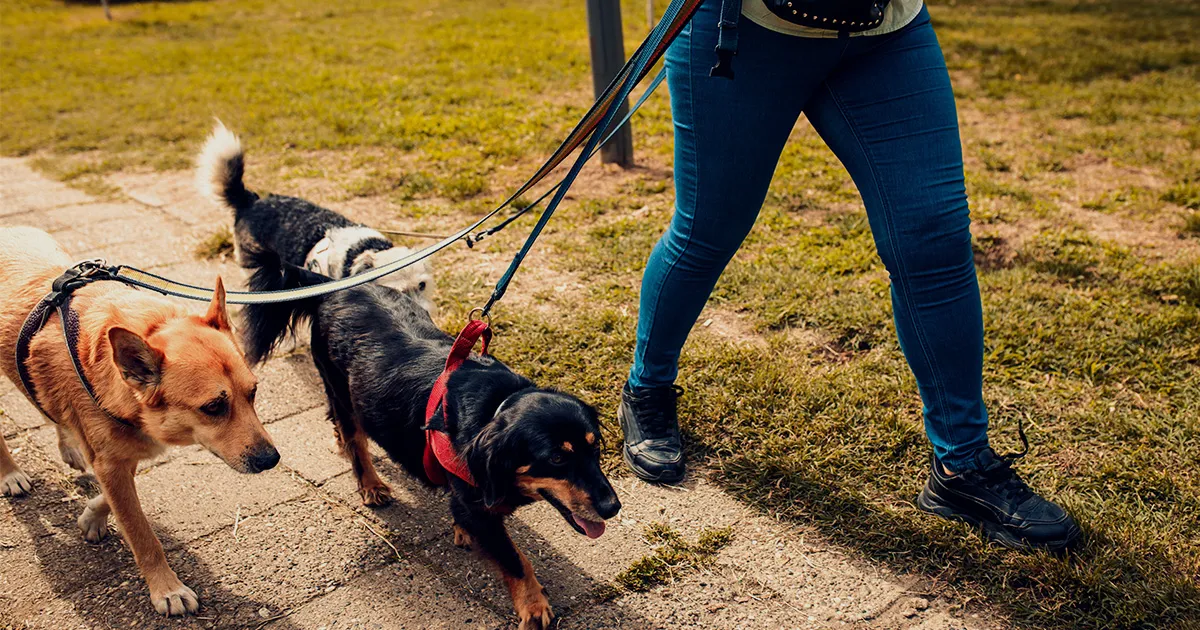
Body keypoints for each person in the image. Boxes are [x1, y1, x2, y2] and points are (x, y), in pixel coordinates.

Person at [616, 0, 1081, 552]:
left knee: (933, 237)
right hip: (740, 32)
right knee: (707, 232)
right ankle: (647, 387)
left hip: (885, 32)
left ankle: (962, 463)